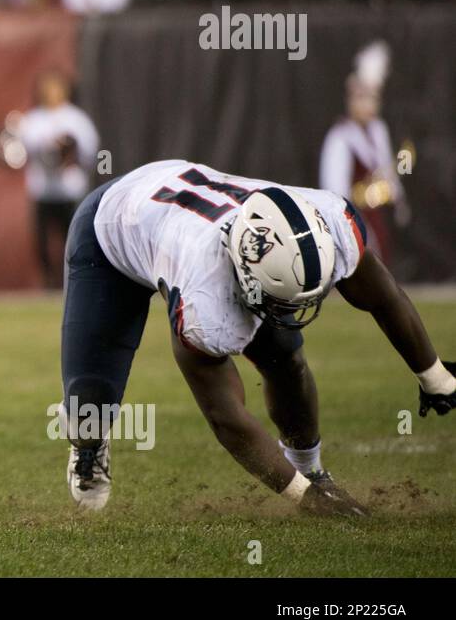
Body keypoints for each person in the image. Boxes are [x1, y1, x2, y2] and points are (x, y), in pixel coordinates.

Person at [60, 159, 454, 516]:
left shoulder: (326, 220)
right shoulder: (205, 296)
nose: (297, 309)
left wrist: (435, 378)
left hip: (178, 212)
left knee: (287, 358)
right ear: (247, 276)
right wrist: (303, 500)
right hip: (110, 232)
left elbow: (383, 297)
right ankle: (88, 448)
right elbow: (226, 417)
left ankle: (314, 472)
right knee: (88, 403)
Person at [319, 43, 407, 264]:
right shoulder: (340, 137)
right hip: (352, 221)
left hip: (378, 217)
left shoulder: (378, 130)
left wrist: (398, 199)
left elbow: (387, 170)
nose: (368, 104)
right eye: (362, 98)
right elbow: (334, 190)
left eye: (373, 98)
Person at [15, 71, 100, 290]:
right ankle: (49, 285)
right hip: (42, 189)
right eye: (47, 88)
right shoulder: (33, 119)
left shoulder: (76, 119)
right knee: (42, 243)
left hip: (69, 190)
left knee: (72, 239)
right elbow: (20, 151)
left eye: (55, 88)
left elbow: (89, 152)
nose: (50, 93)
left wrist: (70, 153)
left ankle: (75, 283)